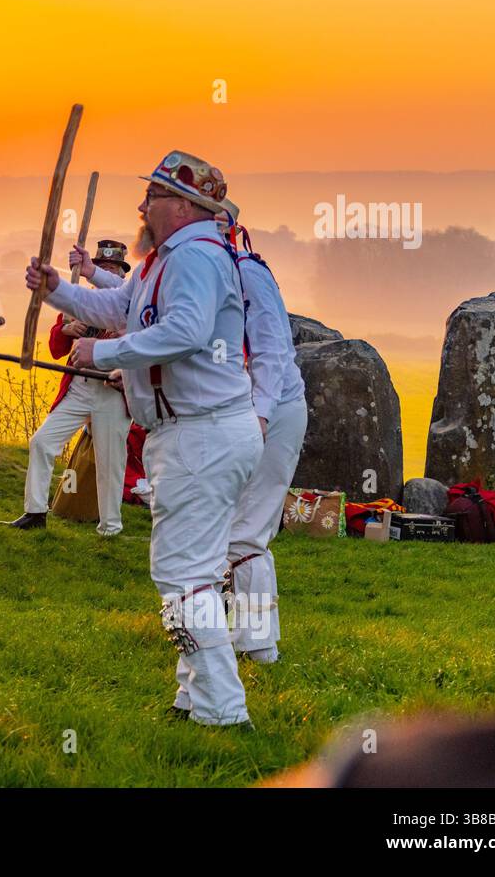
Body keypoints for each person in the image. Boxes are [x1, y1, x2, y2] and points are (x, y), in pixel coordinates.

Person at [25, 150, 262, 727]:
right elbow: (117, 306)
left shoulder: (197, 258)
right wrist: (58, 288)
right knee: (190, 573)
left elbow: (185, 332)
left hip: (202, 432)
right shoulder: (164, 259)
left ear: (183, 206)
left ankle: (225, 712)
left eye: (154, 195)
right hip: (189, 433)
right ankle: (195, 698)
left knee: (182, 577)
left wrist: (102, 351)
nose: (143, 204)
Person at [217, 201, 307, 663]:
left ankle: (258, 644)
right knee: (229, 527)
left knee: (247, 533)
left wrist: (260, 416)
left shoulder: (247, 273)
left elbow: (272, 350)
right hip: (240, 412)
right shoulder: (205, 273)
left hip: (274, 410)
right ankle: (236, 635)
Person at [3, 239, 133, 535]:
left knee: (110, 462)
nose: (107, 272)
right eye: (102, 267)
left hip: (111, 393)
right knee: (42, 441)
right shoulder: (80, 302)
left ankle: (110, 527)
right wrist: (65, 329)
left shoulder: (131, 308)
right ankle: (35, 512)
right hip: (78, 388)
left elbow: (140, 348)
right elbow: (55, 349)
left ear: (121, 275)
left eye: (112, 268)